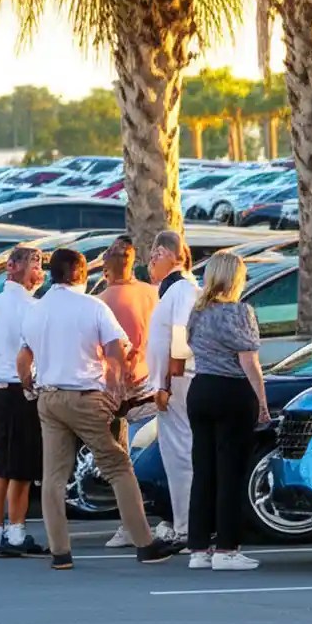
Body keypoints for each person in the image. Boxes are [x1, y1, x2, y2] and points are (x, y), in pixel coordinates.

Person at [17, 248, 176, 570]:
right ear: (80, 274)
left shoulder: (36, 310)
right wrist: (115, 391)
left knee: (54, 476)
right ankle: (144, 543)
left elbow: (24, 358)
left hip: (49, 398)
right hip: (86, 396)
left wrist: (27, 385)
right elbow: (116, 354)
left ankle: (60, 552)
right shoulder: (93, 307)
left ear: (53, 275)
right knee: (118, 467)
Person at [114, 230, 200, 552]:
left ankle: (188, 527)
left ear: (171, 256)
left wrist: (166, 382)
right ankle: (184, 523)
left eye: (155, 255)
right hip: (171, 382)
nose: (150, 262)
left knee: (181, 454)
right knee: (175, 454)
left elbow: (181, 339)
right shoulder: (172, 291)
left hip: (179, 383)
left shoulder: (182, 290)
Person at [184, 251, 268, 571]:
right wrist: (261, 400)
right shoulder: (240, 312)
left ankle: (199, 549)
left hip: (201, 388)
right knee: (230, 471)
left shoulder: (198, 312)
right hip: (231, 391)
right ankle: (227, 549)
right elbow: (249, 361)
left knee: (203, 470)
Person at [97, 236, 167, 549]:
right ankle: (166, 518)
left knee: (125, 464)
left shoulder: (102, 301)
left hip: (122, 392)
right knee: (160, 456)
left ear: (106, 269)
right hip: (154, 385)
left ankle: (130, 526)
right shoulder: (154, 294)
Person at [0, 245, 46, 557]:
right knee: (4, 466)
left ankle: (15, 531)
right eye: (35, 264)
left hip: (11, 391)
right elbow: (25, 353)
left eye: (41, 264)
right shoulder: (20, 306)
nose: (39, 271)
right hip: (13, 389)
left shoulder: (4, 303)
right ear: (13, 267)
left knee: (21, 467)